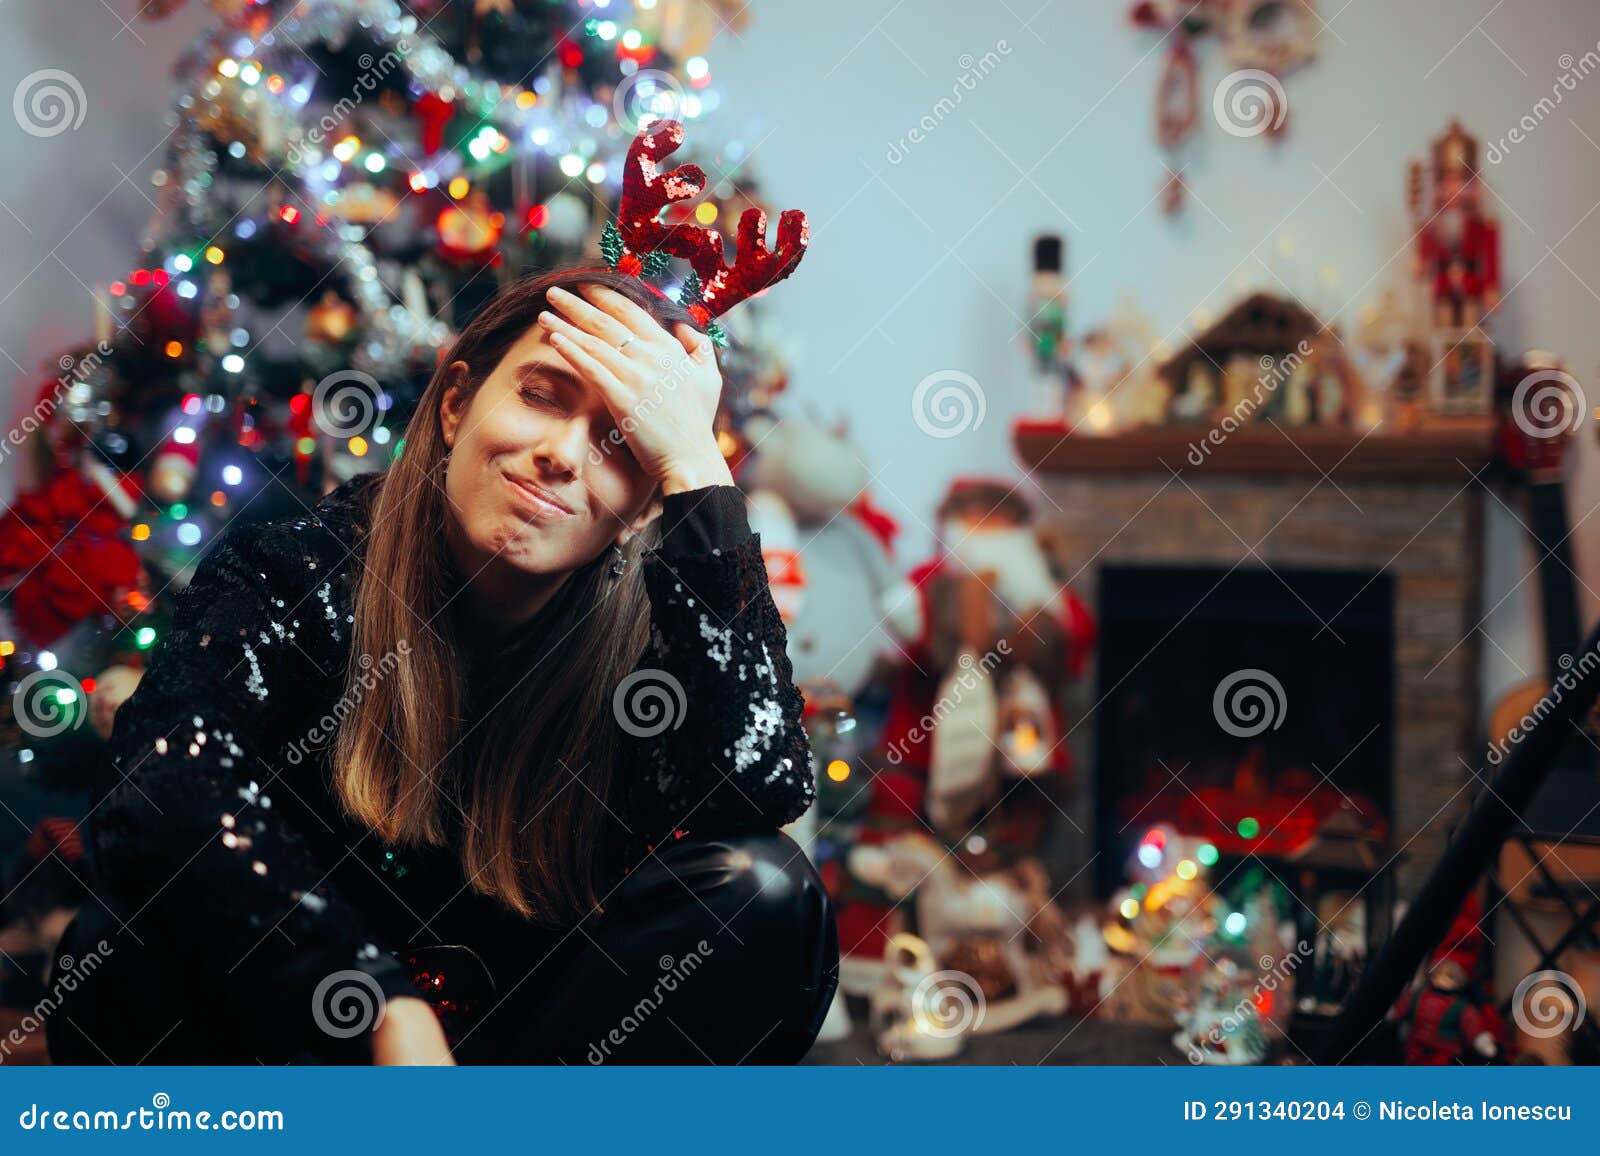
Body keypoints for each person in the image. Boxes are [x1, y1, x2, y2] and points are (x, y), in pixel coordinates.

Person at [49, 268, 838, 1065]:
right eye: (542, 394)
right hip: (299, 1050)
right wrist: (377, 1000)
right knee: (113, 948)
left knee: (766, 889)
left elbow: (755, 788)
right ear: (457, 403)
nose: (563, 454)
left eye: (624, 439)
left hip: (511, 1075)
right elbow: (163, 779)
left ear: (643, 503)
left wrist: (699, 473)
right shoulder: (295, 572)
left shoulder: (648, 660)